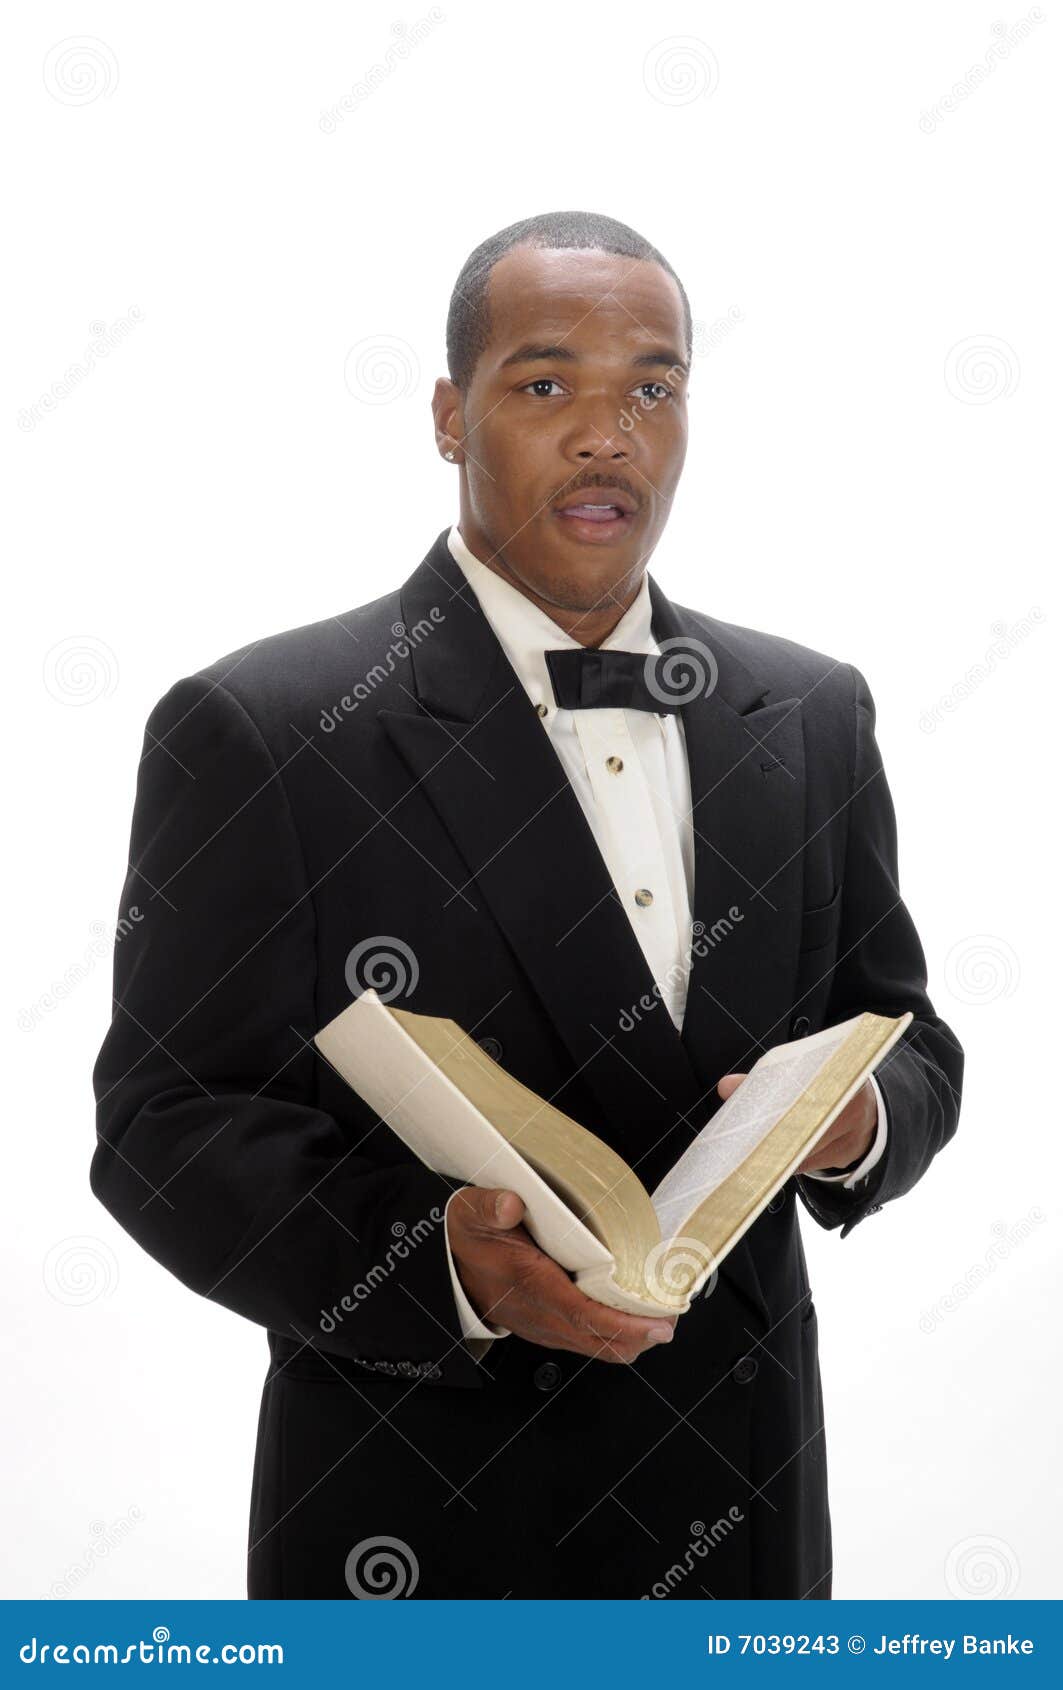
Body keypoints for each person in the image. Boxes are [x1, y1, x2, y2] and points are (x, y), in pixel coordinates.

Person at [91, 210, 963, 1599]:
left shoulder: (808, 710)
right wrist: (439, 1262)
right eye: (546, 384)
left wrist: (856, 1120)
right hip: (421, 1526)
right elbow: (165, 1126)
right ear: (449, 415)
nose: (608, 432)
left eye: (653, 388)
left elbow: (907, 1035)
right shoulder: (267, 727)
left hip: (746, 1513)